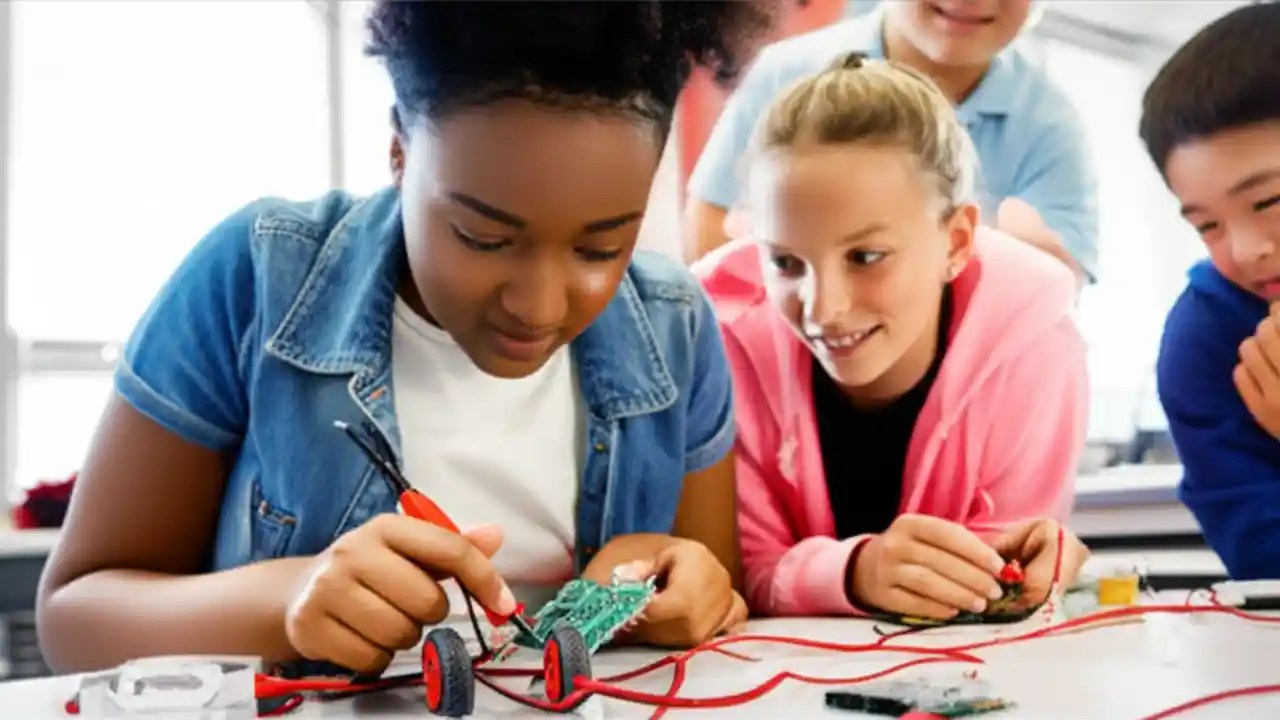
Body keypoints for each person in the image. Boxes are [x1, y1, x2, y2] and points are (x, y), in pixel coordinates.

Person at [35, 1, 773, 674]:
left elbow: (712, 586)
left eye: (600, 248)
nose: (539, 306)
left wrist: (686, 583)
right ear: (398, 149)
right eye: (483, 237)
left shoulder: (675, 323)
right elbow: (72, 618)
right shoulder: (257, 275)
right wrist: (287, 603)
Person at [695, 51, 1090, 620]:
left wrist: (1023, 572)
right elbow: (734, 573)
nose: (823, 308)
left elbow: (998, 583)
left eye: (866, 256)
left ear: (955, 243)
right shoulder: (719, 344)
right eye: (785, 262)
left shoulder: (1037, 348)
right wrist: (854, 575)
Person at [686, 0, 1097, 285]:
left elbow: (1054, 289)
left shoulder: (1051, 126)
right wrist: (998, 245)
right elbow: (709, 246)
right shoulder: (784, 74)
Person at [1143, 2, 1280, 581]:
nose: (1245, 251)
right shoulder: (1204, 340)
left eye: (1269, 202)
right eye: (1207, 225)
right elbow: (1261, 558)